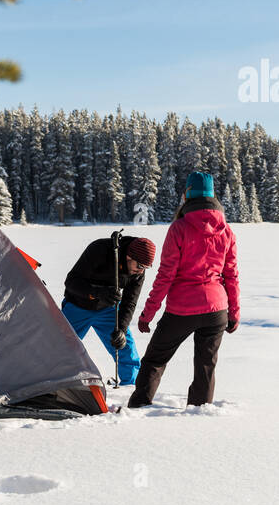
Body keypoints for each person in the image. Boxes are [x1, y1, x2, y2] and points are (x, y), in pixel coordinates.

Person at [128, 172, 240, 408]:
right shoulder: (227, 231)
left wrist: (147, 314)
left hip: (182, 309)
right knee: (206, 366)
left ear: (187, 195)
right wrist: (234, 313)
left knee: (155, 360)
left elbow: (165, 276)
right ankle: (199, 412)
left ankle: (138, 406)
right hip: (216, 309)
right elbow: (231, 276)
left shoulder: (179, 228)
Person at [61, 233, 156, 386]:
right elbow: (71, 281)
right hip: (77, 306)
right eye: (139, 266)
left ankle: (130, 388)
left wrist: (122, 330)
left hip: (108, 310)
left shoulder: (138, 272)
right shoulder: (100, 249)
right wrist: (97, 293)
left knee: (125, 348)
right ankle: (54, 385)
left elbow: (129, 302)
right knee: (61, 348)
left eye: (146, 268)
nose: (141, 271)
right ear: (128, 257)